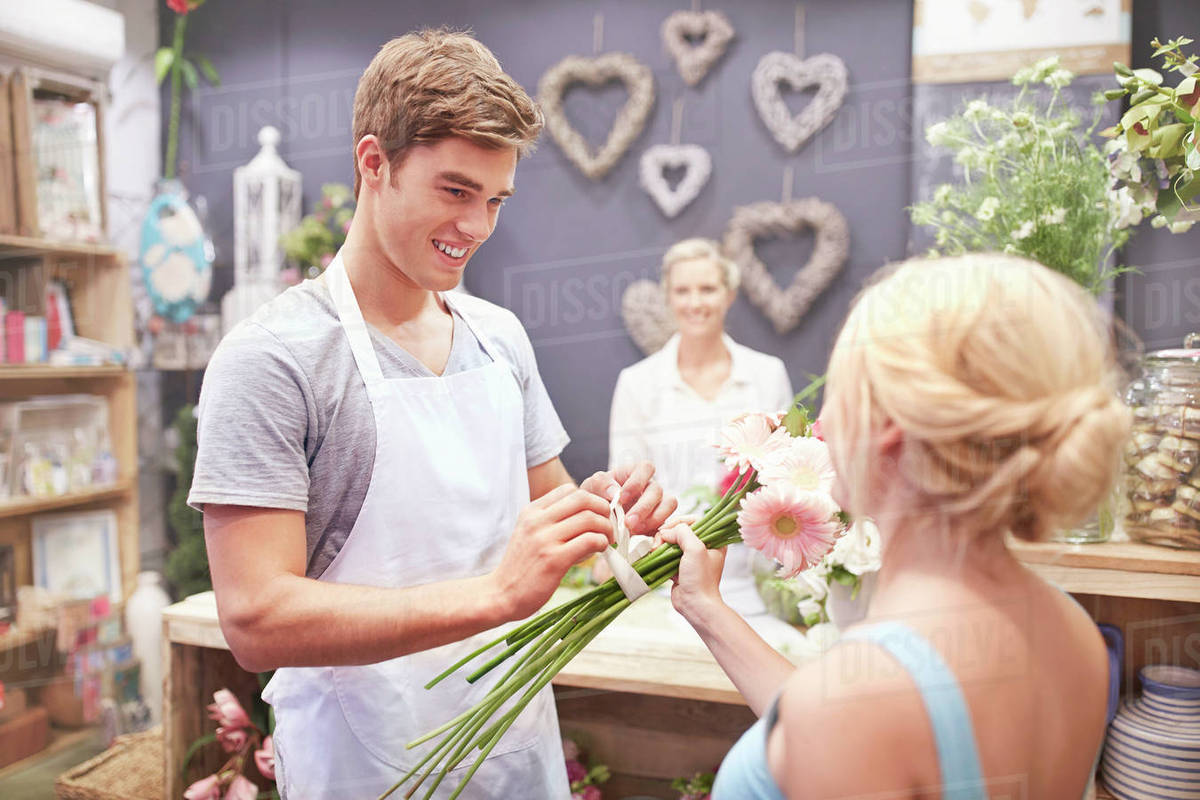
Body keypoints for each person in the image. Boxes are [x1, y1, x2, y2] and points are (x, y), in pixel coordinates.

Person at [189, 30, 675, 799]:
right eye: (455, 191)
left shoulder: (499, 339)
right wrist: (495, 596)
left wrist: (609, 521)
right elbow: (256, 619)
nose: (477, 227)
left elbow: (554, 514)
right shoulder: (273, 360)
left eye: (495, 200)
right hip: (362, 768)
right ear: (373, 162)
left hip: (514, 752)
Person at [660, 254, 1128, 799]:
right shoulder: (1075, 634)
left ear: (885, 427)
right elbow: (852, 731)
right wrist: (706, 608)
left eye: (838, 391)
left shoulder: (859, 707)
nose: (821, 421)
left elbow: (850, 725)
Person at [609, 238, 793, 613]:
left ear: (729, 294)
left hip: (753, 589)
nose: (695, 303)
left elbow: (787, 479)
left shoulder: (768, 374)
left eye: (707, 289)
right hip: (663, 587)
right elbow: (625, 497)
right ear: (668, 298)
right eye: (683, 291)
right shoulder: (636, 383)